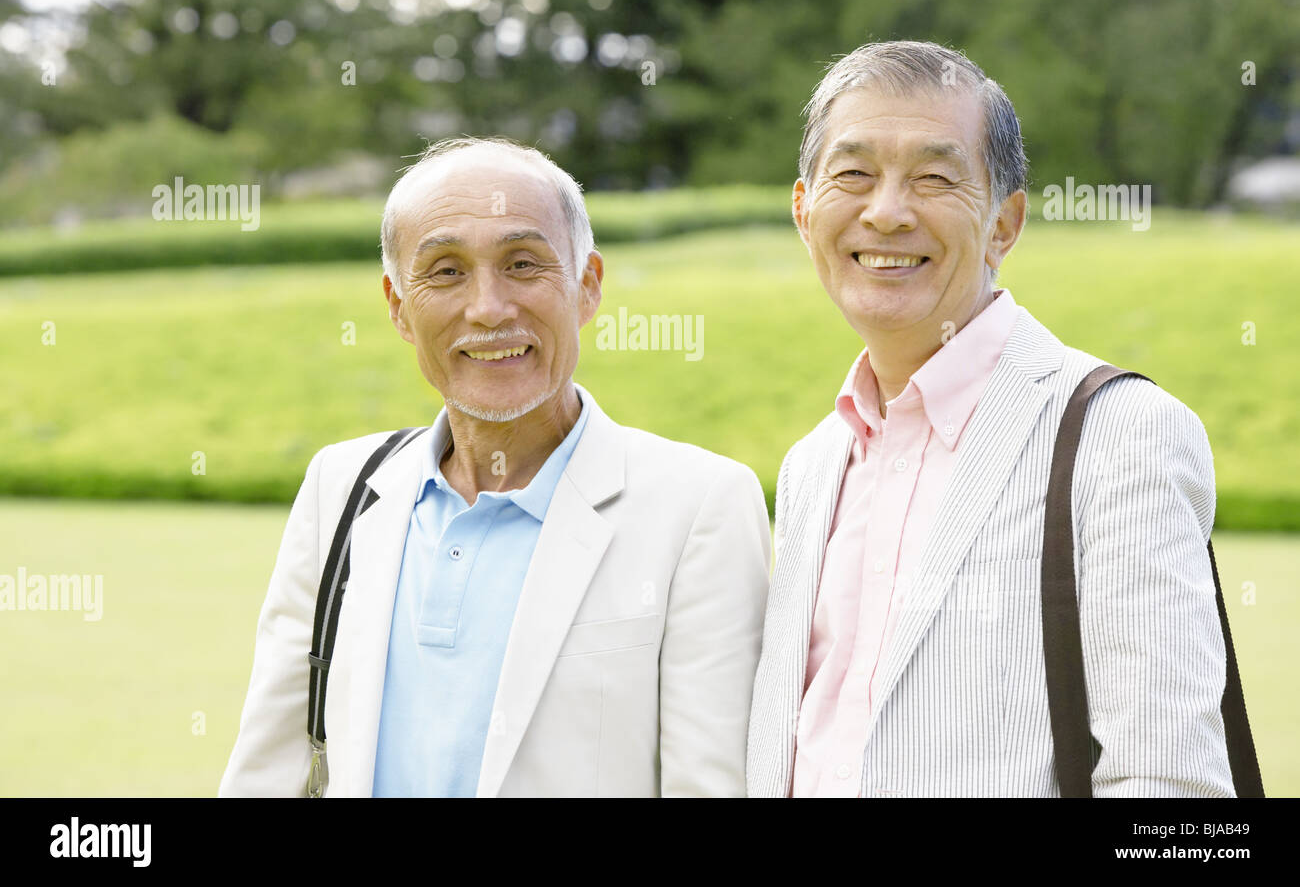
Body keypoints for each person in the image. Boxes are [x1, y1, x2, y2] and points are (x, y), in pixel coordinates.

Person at [747, 40, 1234, 797]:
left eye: (935, 178)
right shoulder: (813, 464)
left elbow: (1172, 789)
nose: (886, 212)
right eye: (854, 175)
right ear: (805, 212)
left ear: (1005, 225)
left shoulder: (1119, 433)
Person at [220, 137, 770, 797]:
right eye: (446, 271)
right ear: (398, 305)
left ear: (587, 286)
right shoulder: (341, 488)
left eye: (522, 263)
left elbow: (710, 786)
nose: (488, 308)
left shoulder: (699, 506)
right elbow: (270, 769)